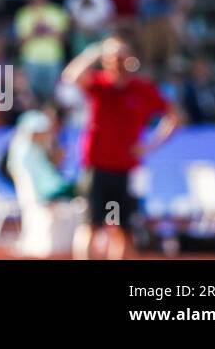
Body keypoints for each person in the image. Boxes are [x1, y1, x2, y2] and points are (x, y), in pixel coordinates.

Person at [61, 38, 181, 260]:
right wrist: (95, 52)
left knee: (123, 229)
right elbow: (71, 77)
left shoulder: (142, 89)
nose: (118, 62)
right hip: (97, 167)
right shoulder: (99, 85)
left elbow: (173, 116)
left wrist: (150, 146)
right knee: (92, 225)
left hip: (126, 170)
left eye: (122, 57)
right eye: (114, 58)